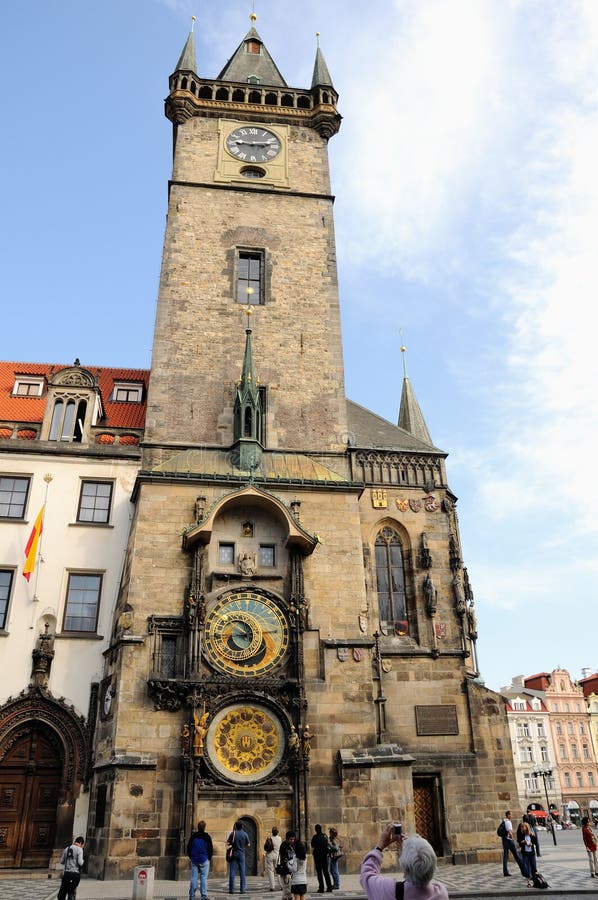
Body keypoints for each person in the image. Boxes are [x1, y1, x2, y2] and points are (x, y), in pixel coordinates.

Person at [360, 824, 448, 899]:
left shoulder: (390, 892)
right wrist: (411, 848)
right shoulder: (441, 893)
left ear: (404, 866)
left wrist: (380, 846)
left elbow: (367, 875)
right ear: (434, 866)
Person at [187, 820, 214, 900]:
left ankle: (192, 896)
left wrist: (191, 857)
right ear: (204, 828)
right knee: (204, 878)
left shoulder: (193, 836)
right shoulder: (207, 837)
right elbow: (210, 849)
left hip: (194, 859)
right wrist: (209, 858)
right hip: (204, 859)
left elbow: (189, 847)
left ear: (198, 827)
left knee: (194, 877)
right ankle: (204, 896)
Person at [227, 820, 250, 895]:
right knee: (242, 872)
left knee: (232, 872)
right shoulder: (245, 834)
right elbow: (248, 844)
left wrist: (232, 843)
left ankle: (231, 890)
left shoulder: (233, 833)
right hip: (241, 853)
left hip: (234, 853)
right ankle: (242, 890)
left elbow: (228, 843)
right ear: (242, 826)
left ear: (236, 826)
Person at [57, 836, 85, 900]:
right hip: (74, 874)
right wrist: (83, 861)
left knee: (63, 892)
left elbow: (62, 861)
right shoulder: (80, 849)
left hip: (66, 874)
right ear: (81, 843)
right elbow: (80, 862)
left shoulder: (67, 848)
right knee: (71, 893)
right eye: (82, 845)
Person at [500, 810, 524, 877]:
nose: (512, 816)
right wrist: (512, 839)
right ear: (508, 815)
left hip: (504, 841)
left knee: (505, 857)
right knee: (517, 856)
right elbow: (510, 832)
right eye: (511, 815)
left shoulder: (503, 821)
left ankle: (505, 872)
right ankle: (523, 870)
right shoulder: (508, 822)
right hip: (509, 841)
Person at [311, 823, 333, 893]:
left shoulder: (315, 837)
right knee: (326, 872)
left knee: (319, 873)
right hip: (324, 856)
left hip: (318, 857)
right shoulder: (325, 836)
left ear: (316, 830)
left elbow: (312, 845)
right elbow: (327, 844)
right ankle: (329, 887)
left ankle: (321, 888)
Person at [516, 820, 537, 886]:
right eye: (522, 828)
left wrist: (532, 842)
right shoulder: (521, 835)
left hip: (532, 853)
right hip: (525, 853)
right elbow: (519, 842)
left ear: (527, 828)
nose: (523, 829)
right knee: (526, 868)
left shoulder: (531, 834)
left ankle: (535, 881)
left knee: (533, 867)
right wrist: (522, 842)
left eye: (524, 828)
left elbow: (535, 842)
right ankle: (528, 882)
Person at [279, 830, 297, 900]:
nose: (292, 841)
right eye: (291, 839)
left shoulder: (293, 845)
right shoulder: (283, 845)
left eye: (293, 839)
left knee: (287, 890)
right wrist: (288, 866)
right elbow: (284, 859)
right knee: (287, 889)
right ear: (287, 839)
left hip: (291, 869)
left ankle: (286, 898)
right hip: (285, 869)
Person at [265, 826, 283, 891]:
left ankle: (272, 886)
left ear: (272, 832)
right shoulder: (280, 838)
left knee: (270, 871)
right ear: (277, 832)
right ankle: (281, 885)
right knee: (278, 871)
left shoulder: (270, 838)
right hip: (277, 855)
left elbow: (266, 847)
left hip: (270, 855)